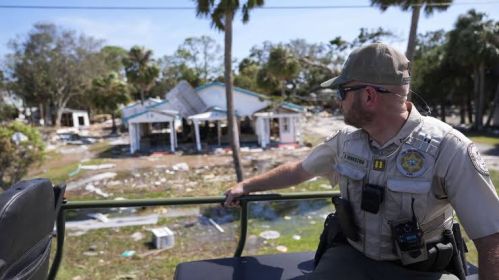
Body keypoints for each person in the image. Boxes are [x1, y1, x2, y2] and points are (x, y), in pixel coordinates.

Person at [223, 43, 499, 280]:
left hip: (419, 271)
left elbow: (491, 239)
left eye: (342, 92)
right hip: (351, 260)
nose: (338, 102)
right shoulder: (345, 142)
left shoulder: (448, 148)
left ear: (368, 96)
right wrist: (246, 186)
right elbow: (297, 172)